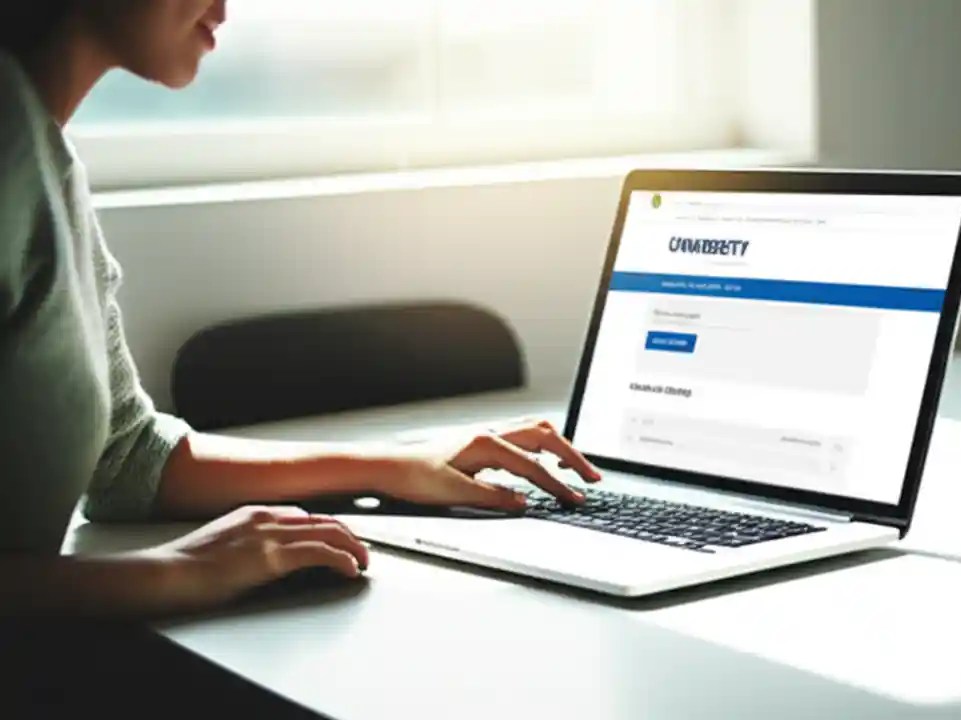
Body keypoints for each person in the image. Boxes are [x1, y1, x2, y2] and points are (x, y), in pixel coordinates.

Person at [0, 0, 601, 619]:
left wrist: (396, 465)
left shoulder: (43, 150)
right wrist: (170, 572)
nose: (225, 8)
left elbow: (128, 458)